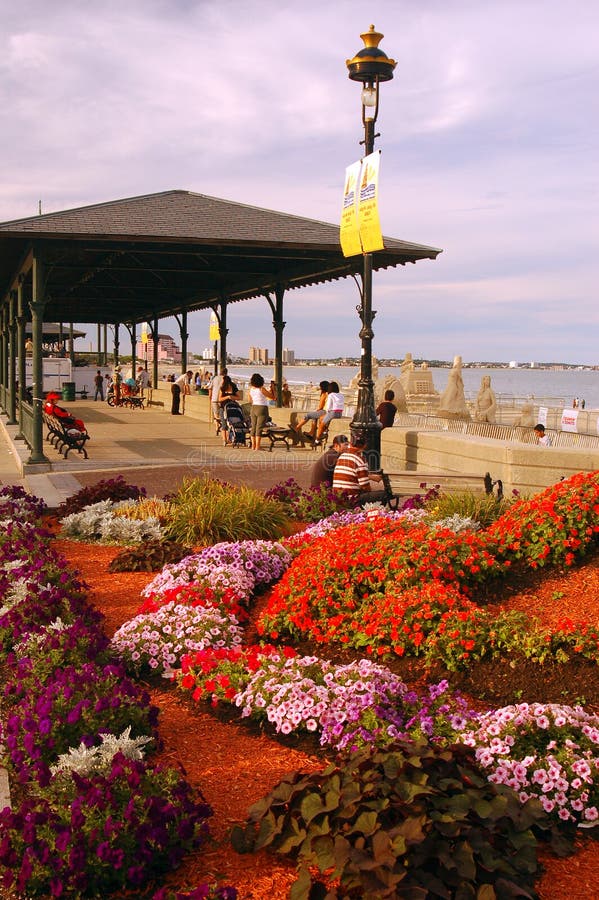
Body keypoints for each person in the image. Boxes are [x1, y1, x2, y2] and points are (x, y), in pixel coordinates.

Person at [332, 431, 383, 500]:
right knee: (382, 494)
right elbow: (365, 487)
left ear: (351, 443)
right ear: (365, 446)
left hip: (337, 497)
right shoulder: (359, 460)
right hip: (351, 499)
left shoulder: (342, 456)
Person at [248, 372, 274, 451]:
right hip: (262, 408)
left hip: (253, 408)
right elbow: (272, 397)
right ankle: (257, 446)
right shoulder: (262, 389)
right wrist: (272, 389)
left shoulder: (251, 389)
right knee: (259, 428)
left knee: (253, 427)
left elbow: (250, 400)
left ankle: (253, 446)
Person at [209, 367, 227, 431]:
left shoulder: (215, 378)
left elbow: (210, 388)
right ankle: (223, 427)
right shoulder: (225, 379)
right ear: (226, 373)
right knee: (223, 414)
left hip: (214, 398)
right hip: (222, 399)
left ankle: (217, 427)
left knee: (216, 414)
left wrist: (210, 396)